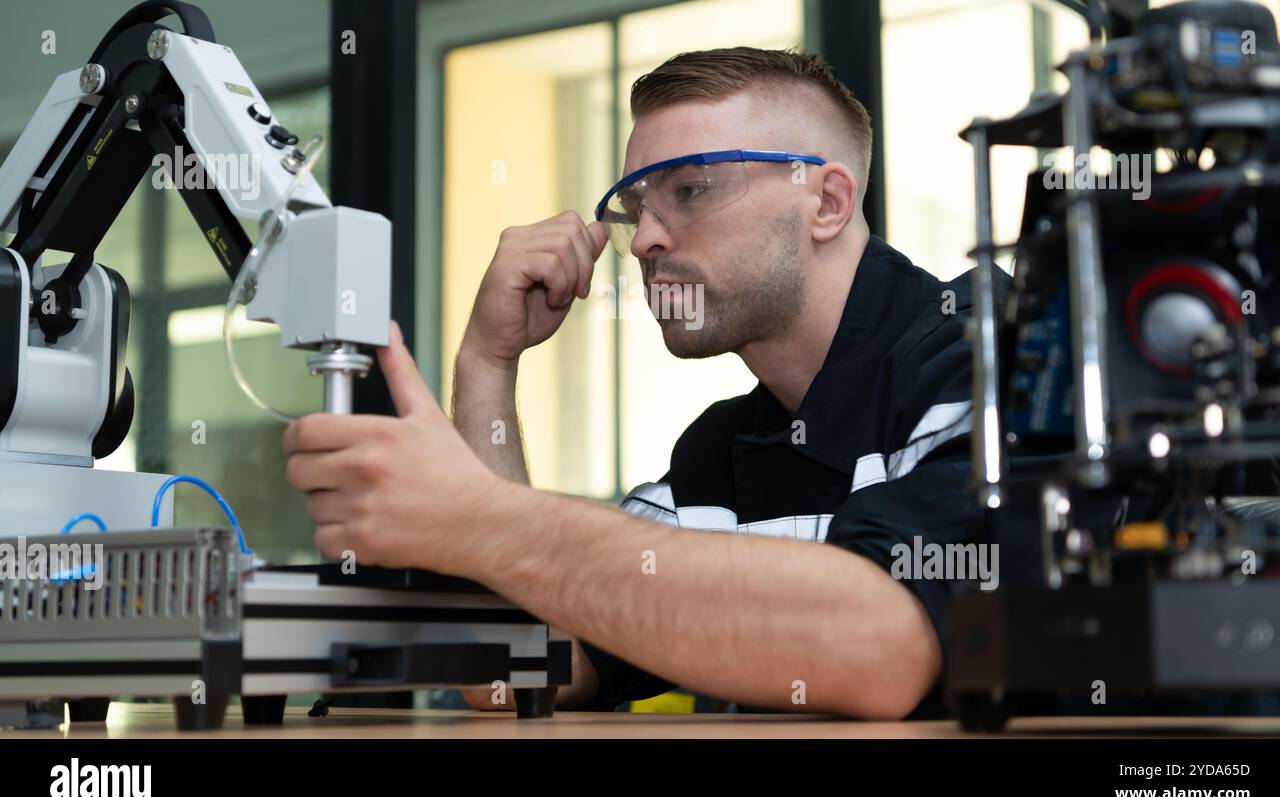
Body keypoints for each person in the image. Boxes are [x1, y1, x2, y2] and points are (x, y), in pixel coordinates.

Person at [282, 47, 989, 719]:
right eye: (635, 208)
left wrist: (482, 517)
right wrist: (489, 363)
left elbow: (883, 646)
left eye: (689, 190)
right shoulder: (719, 454)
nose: (646, 240)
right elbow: (514, 671)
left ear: (827, 202)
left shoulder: (991, 353)